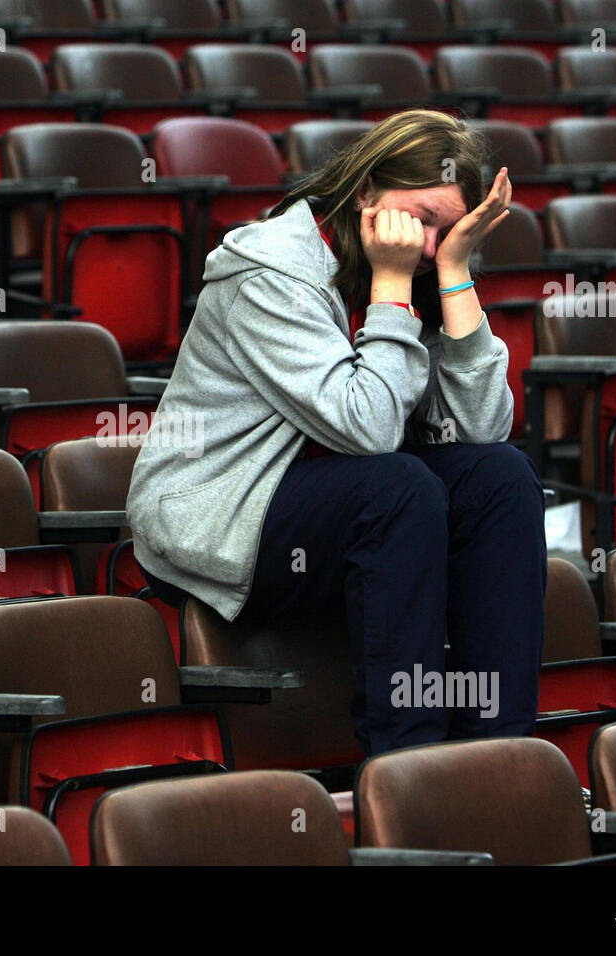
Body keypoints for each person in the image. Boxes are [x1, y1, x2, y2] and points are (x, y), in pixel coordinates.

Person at [126, 109, 547, 756]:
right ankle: (407, 766)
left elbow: (481, 429)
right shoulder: (269, 272)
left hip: (344, 496)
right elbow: (369, 429)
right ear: (366, 193)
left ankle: (498, 753)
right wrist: (392, 286)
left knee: (501, 478)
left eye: (450, 229)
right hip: (223, 509)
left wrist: (457, 272)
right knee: (397, 487)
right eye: (424, 220)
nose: (430, 245)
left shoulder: (426, 266)